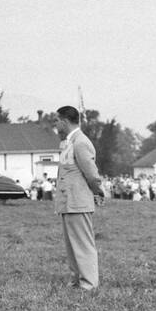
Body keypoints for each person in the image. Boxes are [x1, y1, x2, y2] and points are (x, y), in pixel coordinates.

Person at [53, 105, 104, 292]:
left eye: (57, 121)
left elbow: (91, 173)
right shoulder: (70, 142)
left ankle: (89, 284)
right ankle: (77, 279)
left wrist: (98, 191)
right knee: (72, 245)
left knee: (82, 244)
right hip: (69, 202)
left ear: (65, 121)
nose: (56, 125)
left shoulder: (81, 142)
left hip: (78, 202)